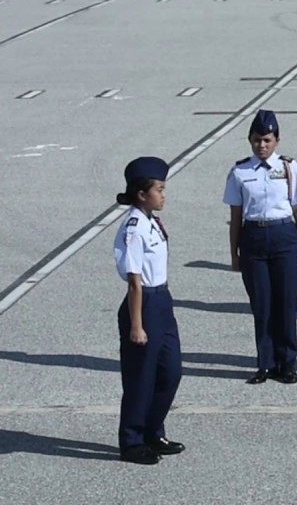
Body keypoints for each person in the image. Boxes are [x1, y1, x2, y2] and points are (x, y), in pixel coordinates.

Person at [223, 109, 297, 385]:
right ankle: (265, 363)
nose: (261, 146)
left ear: (277, 140)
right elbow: (236, 216)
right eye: (256, 140)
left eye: (266, 140)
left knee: (286, 303)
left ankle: (287, 362)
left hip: (284, 236)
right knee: (261, 304)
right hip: (254, 238)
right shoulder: (240, 172)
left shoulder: (288, 168)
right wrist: (234, 253)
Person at [113, 156, 185, 465]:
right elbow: (134, 282)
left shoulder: (151, 220)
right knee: (140, 378)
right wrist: (137, 325)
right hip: (142, 305)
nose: (164, 194)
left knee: (171, 371)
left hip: (162, 301)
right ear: (142, 194)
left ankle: (153, 431)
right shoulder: (134, 228)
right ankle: (132, 441)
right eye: (159, 189)